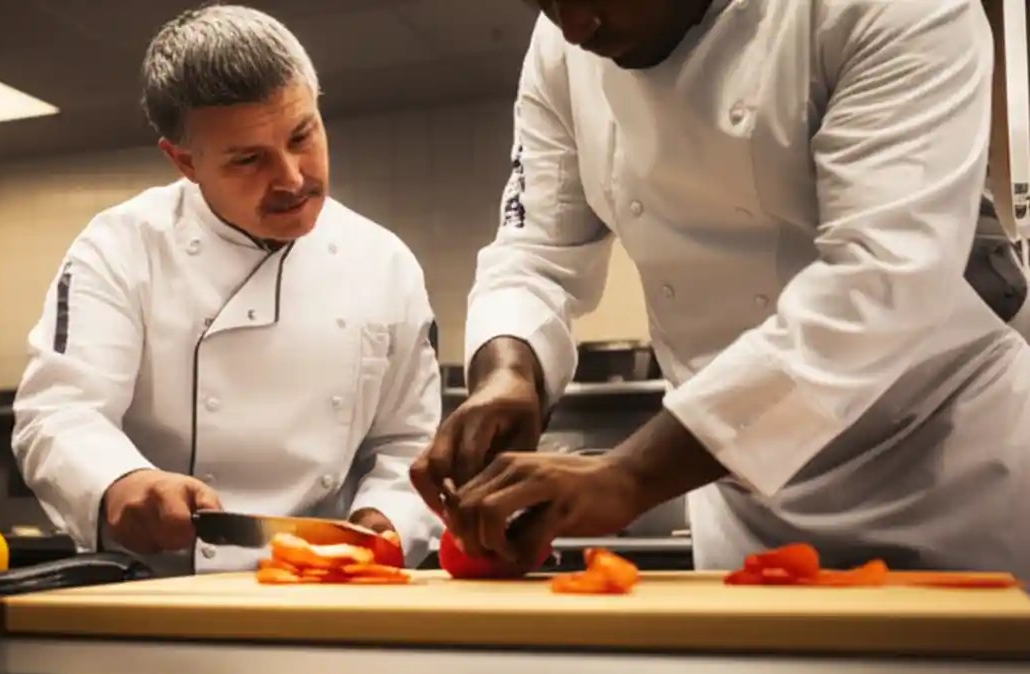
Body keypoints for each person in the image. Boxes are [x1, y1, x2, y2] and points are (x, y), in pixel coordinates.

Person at [412, 0, 1030, 580]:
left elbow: (880, 287)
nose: (575, 26)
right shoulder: (561, 52)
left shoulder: (889, 9)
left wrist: (628, 475)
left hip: (948, 476)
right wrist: (509, 376)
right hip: (747, 510)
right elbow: (532, 253)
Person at [12, 5, 442, 573]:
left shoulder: (384, 263)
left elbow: (409, 442)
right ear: (184, 162)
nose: (291, 177)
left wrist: (384, 521)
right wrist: (121, 482)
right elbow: (59, 413)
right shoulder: (121, 247)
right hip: (155, 588)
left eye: (302, 135)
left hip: (325, 584)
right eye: (249, 159)